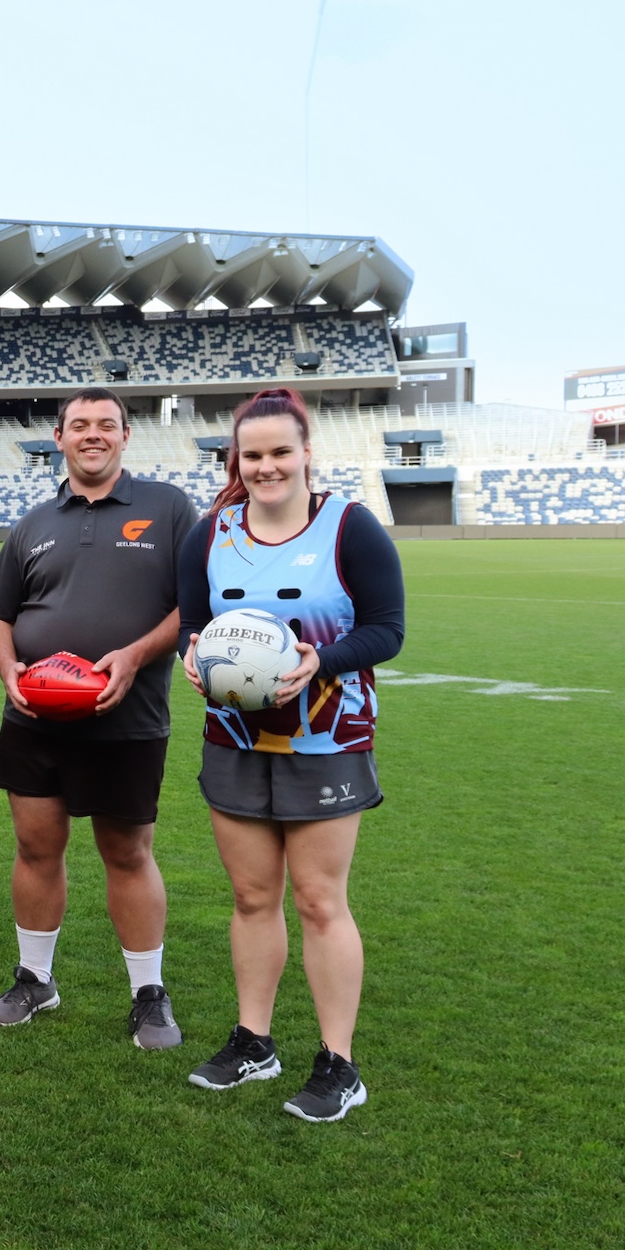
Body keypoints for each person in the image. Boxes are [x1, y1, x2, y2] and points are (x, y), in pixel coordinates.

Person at [177, 387, 404, 1122]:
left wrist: (321, 660)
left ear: (307, 453)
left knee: (318, 900)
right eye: (253, 455)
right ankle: (254, 1041)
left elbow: (388, 630)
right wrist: (192, 657)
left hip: (327, 737)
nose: (267, 466)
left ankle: (340, 1063)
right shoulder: (210, 534)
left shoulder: (349, 527)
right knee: (251, 897)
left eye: (280, 451)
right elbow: (190, 625)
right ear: (236, 460)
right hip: (236, 738)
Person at [0, 387, 198, 1049]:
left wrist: (133, 656)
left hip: (128, 717)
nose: (92, 434)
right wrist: (8, 667)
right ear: (59, 437)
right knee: (35, 846)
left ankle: (148, 993)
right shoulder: (33, 523)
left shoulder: (168, 507)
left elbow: (195, 605)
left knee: (127, 852)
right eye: (79, 424)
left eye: (106, 424)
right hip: (34, 715)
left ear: (126, 436)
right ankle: (35, 979)